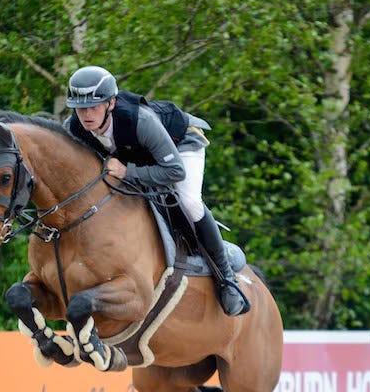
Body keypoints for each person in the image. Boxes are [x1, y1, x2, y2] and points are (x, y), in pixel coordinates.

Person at [62, 65, 250, 317]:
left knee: (190, 202)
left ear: (111, 103)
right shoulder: (74, 127)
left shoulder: (140, 120)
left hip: (180, 145)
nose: (85, 114)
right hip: (136, 155)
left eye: (93, 106)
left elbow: (174, 172)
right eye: (79, 107)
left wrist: (129, 172)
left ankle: (227, 279)